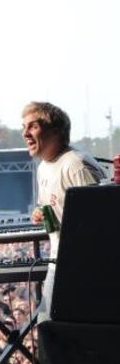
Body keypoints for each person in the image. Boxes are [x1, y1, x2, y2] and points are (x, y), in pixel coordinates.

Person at [23, 102, 107, 320]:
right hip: (59, 260)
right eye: (24, 127)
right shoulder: (43, 167)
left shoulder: (76, 165)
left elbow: (102, 219)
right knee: (46, 323)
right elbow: (55, 205)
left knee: (57, 325)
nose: (25, 133)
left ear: (55, 131)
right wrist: (42, 212)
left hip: (85, 268)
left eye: (33, 126)